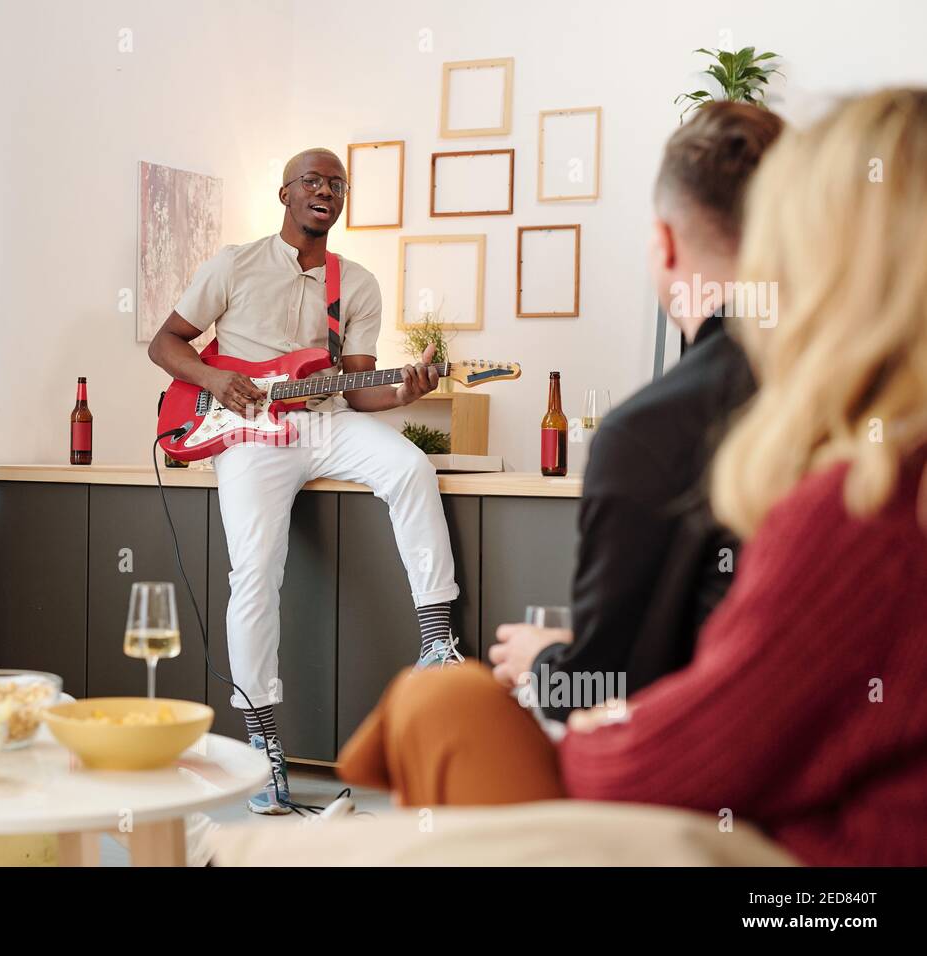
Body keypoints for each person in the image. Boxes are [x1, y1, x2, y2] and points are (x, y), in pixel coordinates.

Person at [339, 88, 927, 865]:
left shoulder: (863, 503)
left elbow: (671, 750)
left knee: (438, 699)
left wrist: (560, 682)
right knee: (441, 703)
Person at [148, 148, 460, 813]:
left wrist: (405, 392)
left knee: (410, 466)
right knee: (256, 573)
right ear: (285, 193)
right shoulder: (234, 262)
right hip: (249, 433)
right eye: (313, 181)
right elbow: (166, 343)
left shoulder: (359, 283)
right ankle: (264, 751)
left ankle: (437, 638)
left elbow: (360, 387)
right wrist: (213, 378)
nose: (326, 190)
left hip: (323, 423)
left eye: (337, 184)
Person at [491, 102, 783, 720]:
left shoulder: (646, 431)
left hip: (698, 766)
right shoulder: (853, 383)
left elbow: (603, 691)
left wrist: (543, 664)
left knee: (437, 702)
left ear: (665, 242)